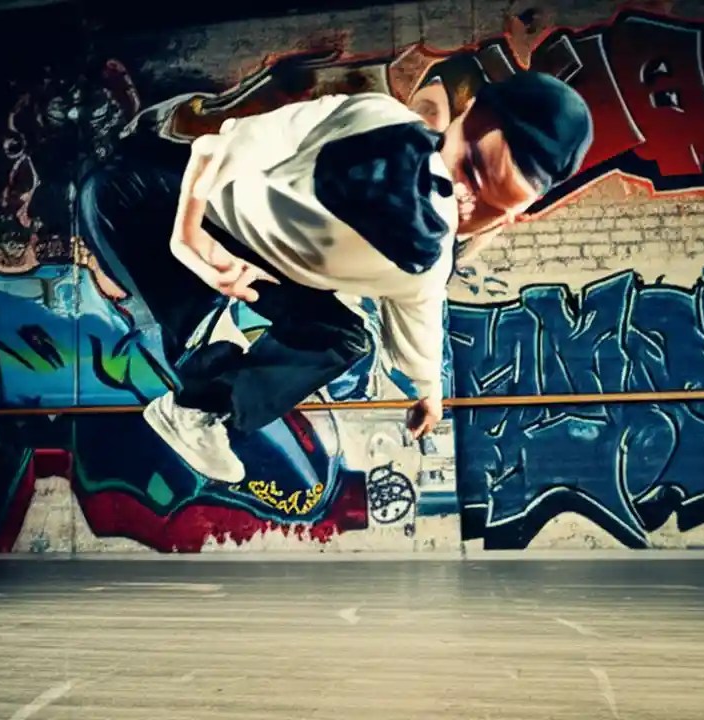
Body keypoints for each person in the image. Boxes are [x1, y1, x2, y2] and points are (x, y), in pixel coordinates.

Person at [77, 71, 594, 484]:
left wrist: (430, 395)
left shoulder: (425, 268)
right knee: (121, 200)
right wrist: (188, 232)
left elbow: (419, 329)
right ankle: (201, 339)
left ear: (509, 218)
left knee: (343, 338)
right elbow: (216, 149)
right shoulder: (373, 119)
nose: (458, 199)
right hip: (163, 206)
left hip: (259, 270)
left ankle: (195, 410)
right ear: (466, 114)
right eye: (469, 171)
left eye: (485, 207)